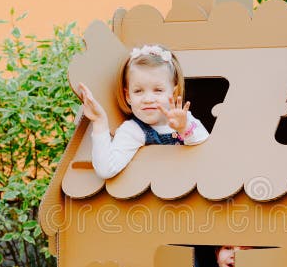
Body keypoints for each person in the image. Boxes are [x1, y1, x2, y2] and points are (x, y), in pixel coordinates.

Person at [76, 44, 209, 179]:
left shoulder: (184, 118)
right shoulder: (133, 130)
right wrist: (99, 122)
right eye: (138, 91)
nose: (148, 99)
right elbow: (106, 170)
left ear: (173, 94)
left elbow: (206, 147)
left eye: (158, 90)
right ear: (128, 96)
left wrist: (184, 128)